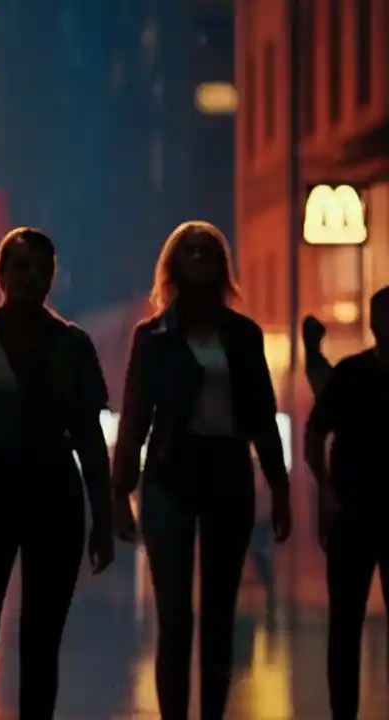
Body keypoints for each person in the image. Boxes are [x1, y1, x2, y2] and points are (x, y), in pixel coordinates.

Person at [0, 228, 114, 719]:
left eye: (41, 268)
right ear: (1, 274)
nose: (32, 277)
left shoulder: (72, 345)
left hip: (55, 494)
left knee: (42, 637)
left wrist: (105, 518)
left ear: (54, 276)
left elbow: (90, 439)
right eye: (21, 266)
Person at [113, 220, 291, 720]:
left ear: (221, 264)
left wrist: (278, 488)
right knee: (174, 616)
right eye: (188, 250)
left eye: (206, 250)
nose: (197, 257)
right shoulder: (152, 338)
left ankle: (212, 712)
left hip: (227, 475)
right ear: (172, 264)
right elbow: (135, 417)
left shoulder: (243, 336)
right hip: (170, 475)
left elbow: (261, 413)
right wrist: (119, 491)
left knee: (219, 614)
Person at [304, 287, 389, 720]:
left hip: (351, 511)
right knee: (344, 625)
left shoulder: (351, 374)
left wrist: (326, 493)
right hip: (353, 512)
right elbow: (315, 433)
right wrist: (327, 494)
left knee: (345, 626)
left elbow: (316, 432)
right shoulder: (352, 376)